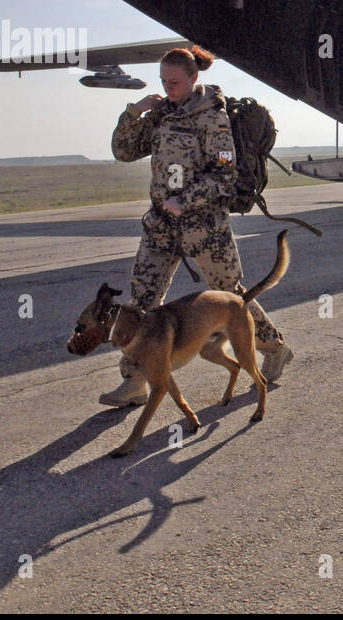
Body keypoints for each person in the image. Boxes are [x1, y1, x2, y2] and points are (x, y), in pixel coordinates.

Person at [100, 45, 293, 407]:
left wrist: (184, 201)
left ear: (194, 78)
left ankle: (274, 347)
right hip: (161, 225)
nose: (168, 87)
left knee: (230, 295)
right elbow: (123, 151)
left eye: (174, 82)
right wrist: (133, 112)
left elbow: (225, 176)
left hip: (205, 226)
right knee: (142, 301)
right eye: (164, 81)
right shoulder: (161, 115)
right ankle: (134, 381)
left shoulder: (213, 119)